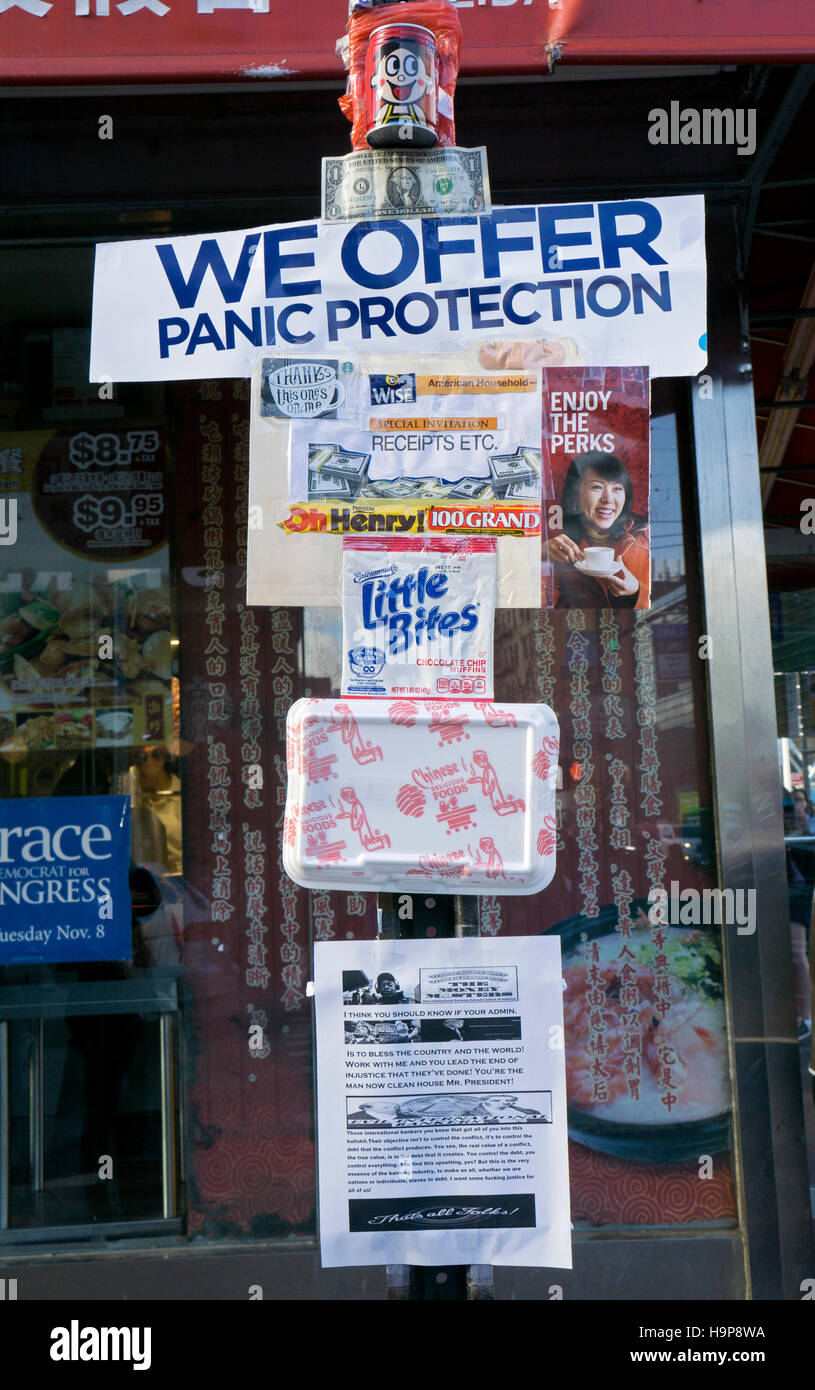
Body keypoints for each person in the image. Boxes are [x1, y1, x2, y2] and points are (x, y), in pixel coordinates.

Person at [547, 451, 650, 609]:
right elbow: (538, 606)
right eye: (597, 487)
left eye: (617, 489)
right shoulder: (558, 542)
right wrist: (538, 556)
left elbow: (670, 601)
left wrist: (636, 592)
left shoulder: (645, 536)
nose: (608, 499)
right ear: (575, 494)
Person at [135, 745, 183, 874]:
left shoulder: (184, 797)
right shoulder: (137, 801)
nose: (136, 767)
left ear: (159, 760)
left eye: (141, 759)